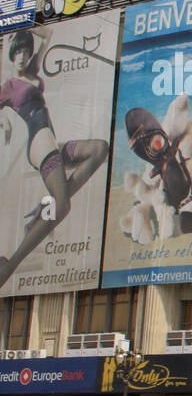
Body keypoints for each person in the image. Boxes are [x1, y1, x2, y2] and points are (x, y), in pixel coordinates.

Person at [0, 28, 110, 288]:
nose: (22, 56)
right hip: (39, 142)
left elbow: (48, 34)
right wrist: (3, 118)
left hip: (52, 140)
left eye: (26, 51)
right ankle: (8, 268)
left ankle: (48, 207)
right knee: (63, 207)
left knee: (99, 148)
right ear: (11, 54)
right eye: (17, 51)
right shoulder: (8, 86)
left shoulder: (32, 72)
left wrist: (30, 21)